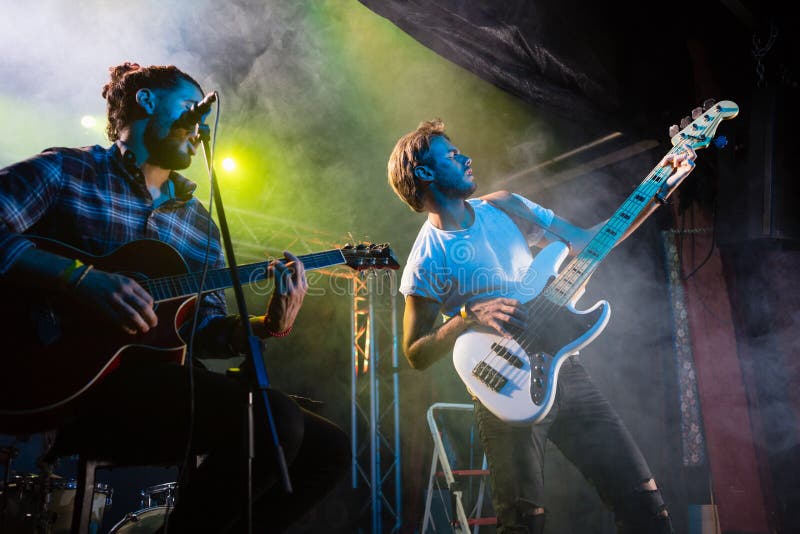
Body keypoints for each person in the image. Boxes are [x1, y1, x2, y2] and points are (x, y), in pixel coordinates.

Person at [0, 62, 349, 533]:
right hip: (57, 378)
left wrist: (268, 326)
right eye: (190, 107)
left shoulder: (199, 223)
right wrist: (79, 278)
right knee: (273, 419)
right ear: (145, 100)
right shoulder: (69, 169)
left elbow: (203, 331)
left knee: (329, 449)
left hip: (152, 393)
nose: (200, 126)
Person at [387, 119, 696, 533]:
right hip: (504, 390)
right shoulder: (427, 258)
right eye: (452, 155)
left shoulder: (504, 207)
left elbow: (586, 242)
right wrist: (465, 317)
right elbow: (415, 352)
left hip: (566, 371)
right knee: (523, 526)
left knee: (645, 508)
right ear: (425, 172)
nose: (466, 158)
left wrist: (660, 188)